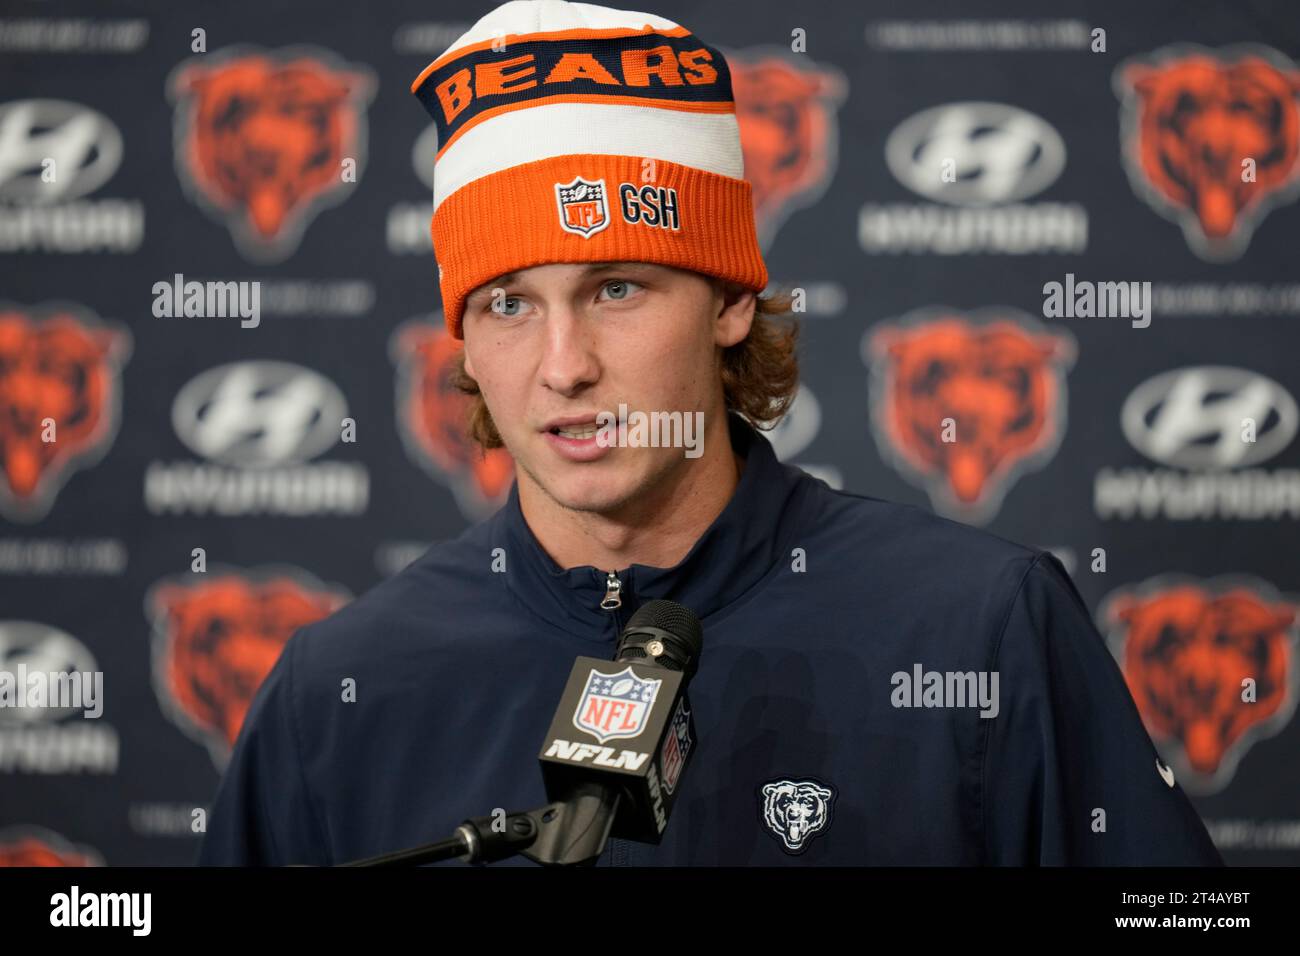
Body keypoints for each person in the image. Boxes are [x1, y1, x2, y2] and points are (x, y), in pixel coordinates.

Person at [196, 0, 1224, 866]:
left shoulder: (982, 625)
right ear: (462, 341)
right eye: (508, 303)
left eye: (617, 286)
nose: (564, 366)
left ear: (731, 300)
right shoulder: (338, 690)